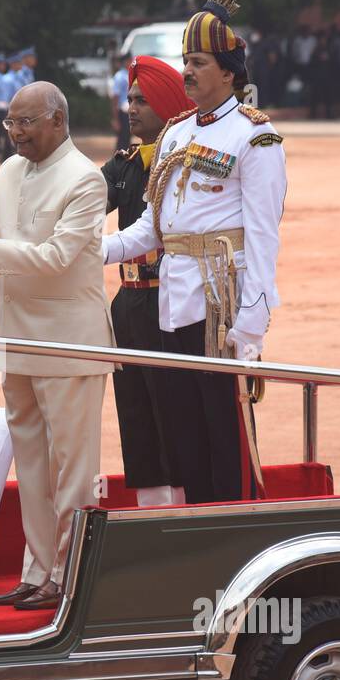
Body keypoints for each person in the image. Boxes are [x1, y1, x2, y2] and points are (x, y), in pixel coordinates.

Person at [0, 80, 113, 611]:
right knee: (31, 465)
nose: (16, 133)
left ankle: (69, 575)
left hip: (69, 345)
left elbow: (56, 257)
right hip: (18, 340)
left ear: (58, 120)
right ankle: (38, 571)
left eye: (26, 123)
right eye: (11, 123)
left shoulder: (85, 179)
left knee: (71, 468)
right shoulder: (12, 170)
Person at [102, 0, 286, 505]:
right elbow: (152, 229)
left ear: (228, 73)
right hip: (173, 301)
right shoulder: (176, 134)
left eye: (199, 62)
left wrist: (253, 320)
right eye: (186, 60)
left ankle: (236, 532)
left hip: (222, 305)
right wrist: (93, 250)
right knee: (184, 435)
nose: (187, 71)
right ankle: (200, 531)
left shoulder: (255, 137)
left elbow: (264, 235)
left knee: (225, 433)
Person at [100, 55, 194, 507]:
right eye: (130, 99)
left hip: (170, 301)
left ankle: (186, 510)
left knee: (174, 413)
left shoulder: (184, 165)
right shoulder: (124, 165)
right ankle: (151, 512)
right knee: (135, 413)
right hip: (129, 301)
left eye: (142, 100)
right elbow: (78, 202)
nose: (131, 108)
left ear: (168, 105)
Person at [110, 53, 130, 151]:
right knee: (122, 140)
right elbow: (115, 98)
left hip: (129, 111)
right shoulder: (120, 76)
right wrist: (115, 119)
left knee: (127, 139)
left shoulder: (128, 74)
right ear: (125, 62)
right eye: (129, 60)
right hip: (122, 112)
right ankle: (119, 158)